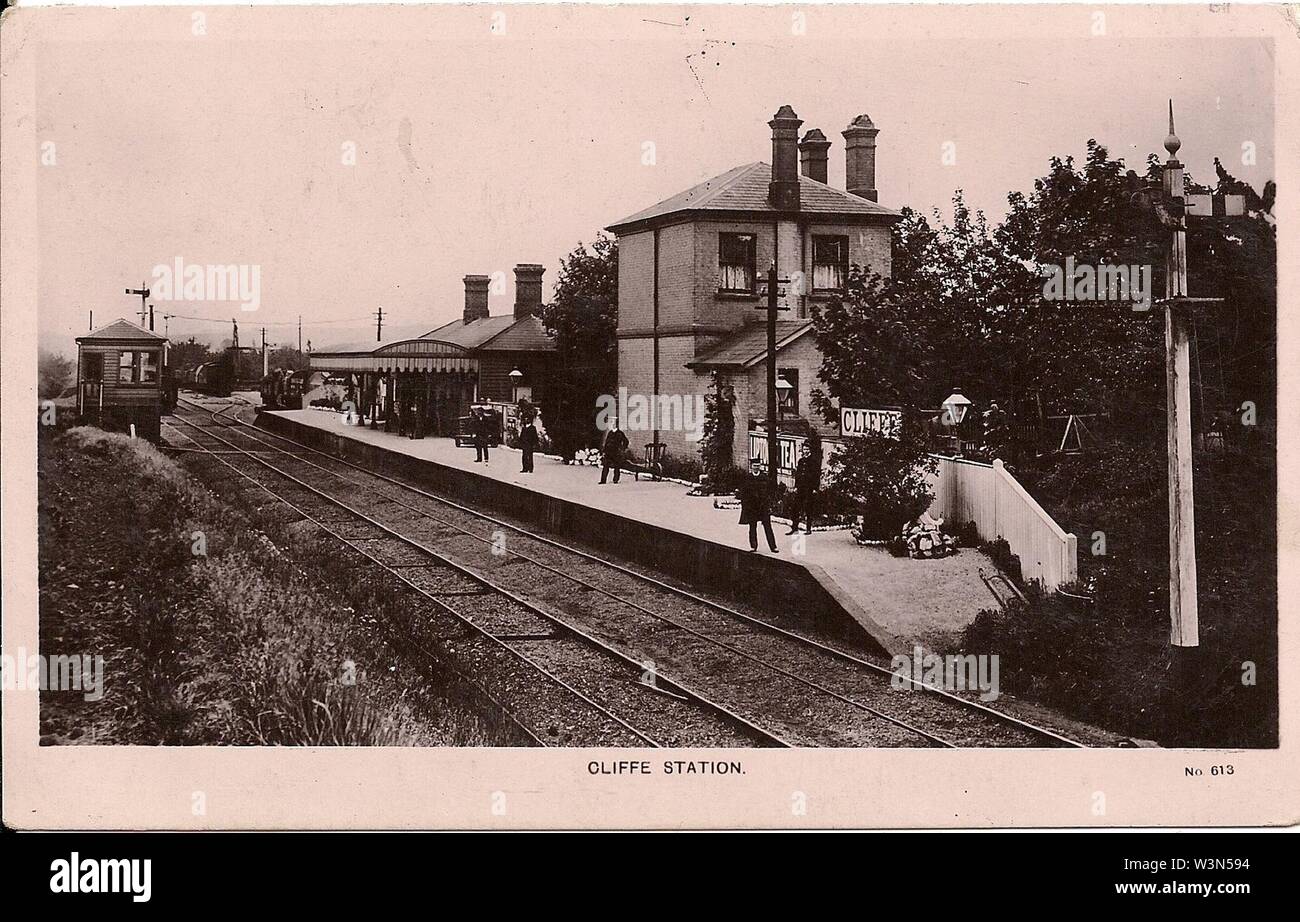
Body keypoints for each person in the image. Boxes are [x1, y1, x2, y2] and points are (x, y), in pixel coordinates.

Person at [738, 471, 778, 553]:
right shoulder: (748, 478)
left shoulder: (764, 477)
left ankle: (773, 547)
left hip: (763, 506)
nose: (756, 467)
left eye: (758, 466)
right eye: (754, 466)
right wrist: (746, 505)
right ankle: (753, 546)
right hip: (752, 507)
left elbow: (770, 490)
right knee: (752, 526)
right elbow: (744, 493)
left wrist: (768, 502)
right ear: (752, 467)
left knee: (767, 526)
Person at [787, 443, 819, 535]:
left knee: (808, 508)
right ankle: (794, 527)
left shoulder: (813, 461)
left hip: (809, 488)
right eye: (804, 449)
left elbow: (816, 476)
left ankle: (808, 528)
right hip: (800, 487)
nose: (806, 451)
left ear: (810, 450)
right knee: (795, 507)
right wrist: (796, 486)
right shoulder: (801, 461)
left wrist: (815, 488)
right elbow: (798, 475)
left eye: (807, 449)